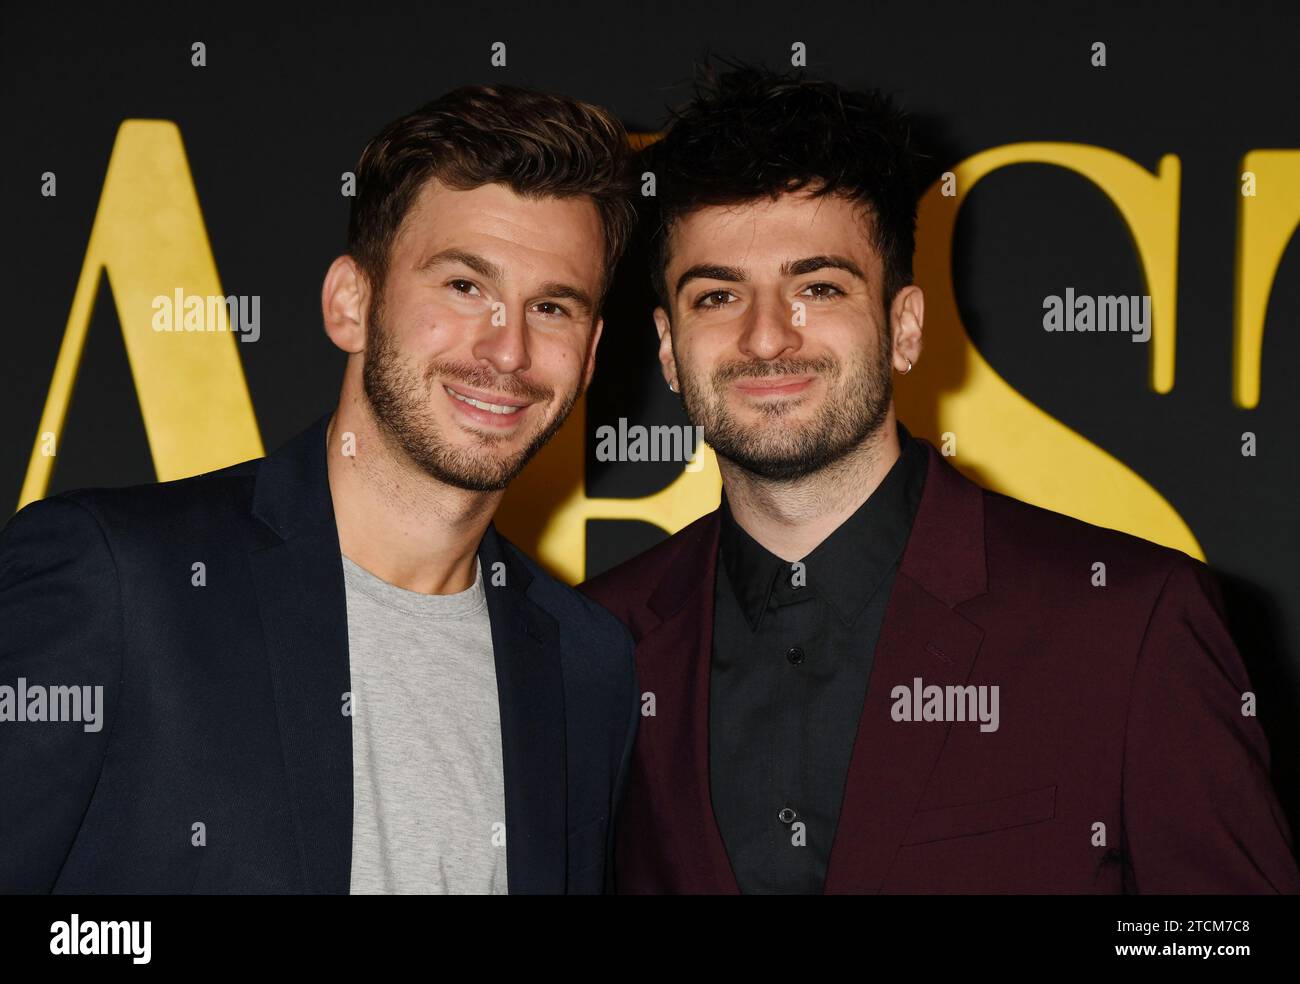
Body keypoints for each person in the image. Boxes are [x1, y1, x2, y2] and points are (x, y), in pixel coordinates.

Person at [580, 64, 1300, 893]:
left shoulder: (1131, 624)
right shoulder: (599, 646)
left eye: (819, 286)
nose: (769, 337)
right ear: (669, 347)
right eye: (717, 297)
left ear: (905, 327)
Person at [0, 84, 639, 895]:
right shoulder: (118, 581)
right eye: (464, 286)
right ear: (352, 303)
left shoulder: (588, 666)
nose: (507, 349)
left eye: (551, 307)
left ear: (587, 359)